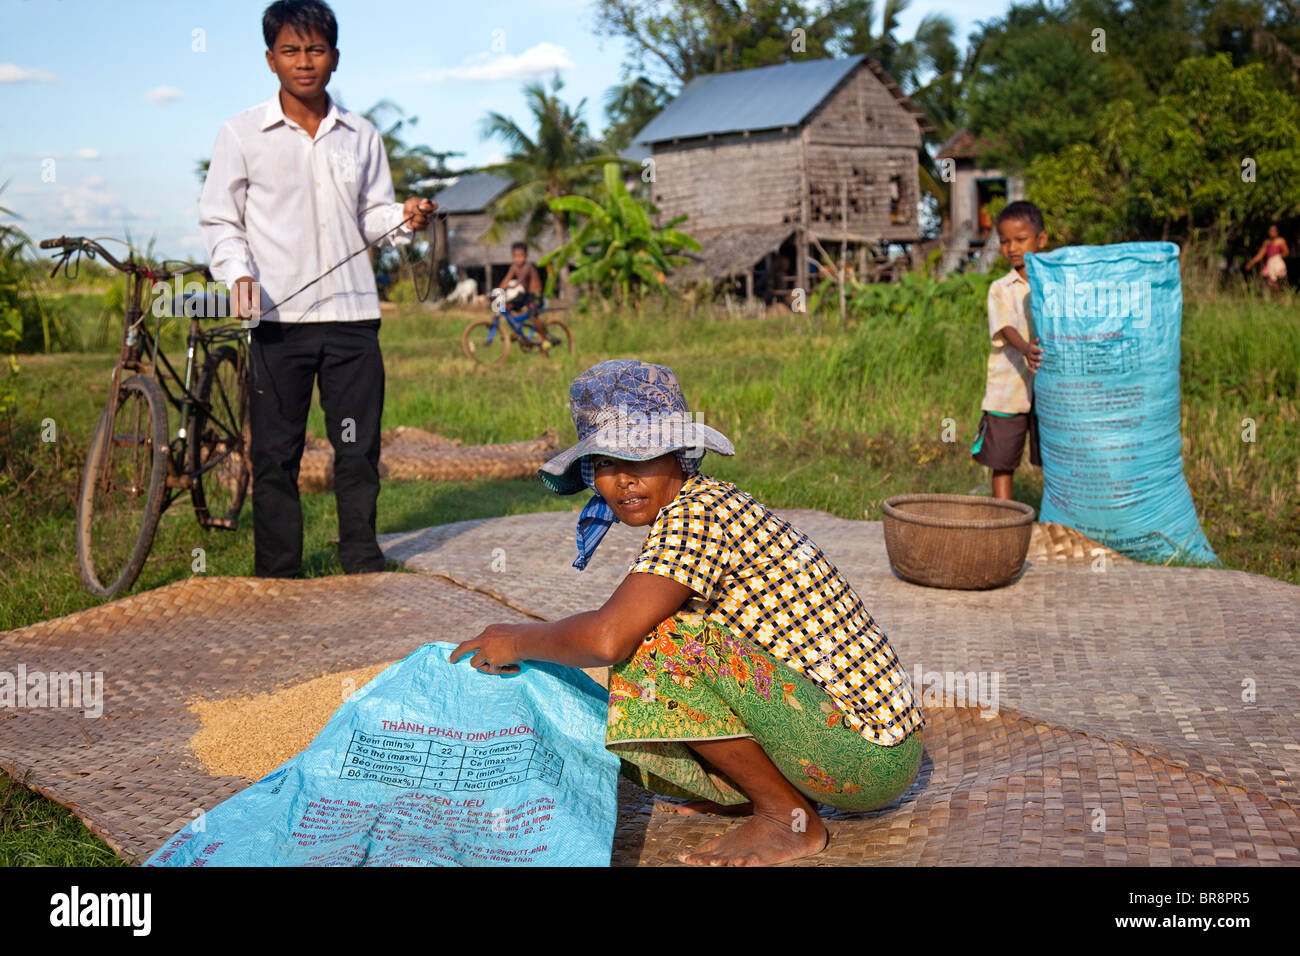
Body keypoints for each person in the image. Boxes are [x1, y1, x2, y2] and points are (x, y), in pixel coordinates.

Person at [451, 359, 925, 866]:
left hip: (868, 758)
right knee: (662, 641)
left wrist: (516, 640)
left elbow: (608, 636)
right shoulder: (701, 504)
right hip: (858, 743)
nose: (624, 480)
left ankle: (786, 818)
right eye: (607, 465)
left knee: (659, 644)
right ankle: (755, 792)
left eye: (643, 457)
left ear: (678, 455)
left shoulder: (696, 516)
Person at [198, 0, 435, 577]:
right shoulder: (241, 133)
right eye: (290, 50)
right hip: (277, 323)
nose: (304, 61)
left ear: (334, 57)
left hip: (353, 318)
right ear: (270, 59)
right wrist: (239, 275)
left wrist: (404, 216)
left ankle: (360, 556)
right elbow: (220, 222)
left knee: (357, 448)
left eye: (315, 49)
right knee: (276, 454)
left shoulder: (361, 136)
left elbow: (373, 216)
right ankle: (278, 572)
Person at [970, 201, 1046, 502]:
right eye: (1004, 241)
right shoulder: (1000, 288)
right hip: (1008, 388)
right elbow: (1004, 327)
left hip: (1045, 388)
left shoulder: (1051, 284)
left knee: (1052, 455)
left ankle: (1053, 514)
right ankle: (1003, 516)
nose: (1011, 248)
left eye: (1020, 239)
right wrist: (1026, 349)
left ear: (1040, 240)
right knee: (1002, 460)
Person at [494, 242, 543, 316]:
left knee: (532, 315)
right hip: (525, 294)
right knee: (508, 307)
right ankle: (515, 325)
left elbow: (521, 278)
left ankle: (542, 328)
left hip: (535, 295)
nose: (518, 259)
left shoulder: (528, 267)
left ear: (526, 256)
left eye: (521, 256)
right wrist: (498, 291)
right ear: (512, 256)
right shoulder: (513, 267)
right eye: (515, 256)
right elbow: (505, 280)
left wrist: (512, 286)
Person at [1245, 224, 1289, 291]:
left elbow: (1286, 252)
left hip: (1277, 263)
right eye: (1270, 231)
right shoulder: (1266, 242)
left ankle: (1277, 295)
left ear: (1277, 232)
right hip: (1269, 264)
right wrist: (1251, 263)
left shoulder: (1281, 241)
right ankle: (1274, 296)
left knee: (1274, 281)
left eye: (1273, 231)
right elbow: (1260, 255)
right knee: (1269, 281)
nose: (1272, 232)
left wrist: (1278, 257)